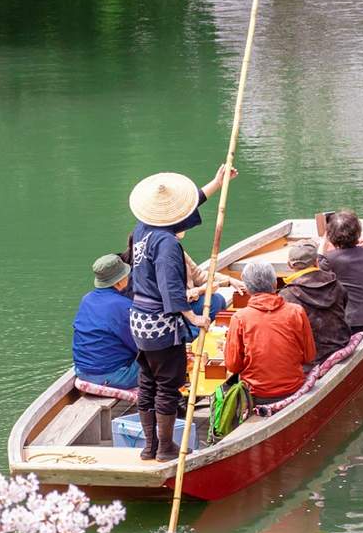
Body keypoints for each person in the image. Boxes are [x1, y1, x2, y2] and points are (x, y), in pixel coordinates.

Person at [127, 164, 234, 461]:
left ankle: (149, 447)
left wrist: (216, 184)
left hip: (139, 319)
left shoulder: (142, 229)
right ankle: (165, 448)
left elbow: (187, 206)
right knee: (167, 385)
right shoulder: (167, 244)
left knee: (148, 382)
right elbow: (171, 288)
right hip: (159, 325)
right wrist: (194, 318)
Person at [224, 259, 315, 405]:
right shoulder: (297, 311)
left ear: (247, 289)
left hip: (256, 394)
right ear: (275, 284)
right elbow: (309, 356)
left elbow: (233, 366)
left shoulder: (239, 318)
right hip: (294, 388)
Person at [71, 254, 139, 389]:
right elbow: (140, 345)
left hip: (81, 371)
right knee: (163, 358)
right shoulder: (123, 306)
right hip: (112, 375)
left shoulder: (86, 299)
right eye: (127, 275)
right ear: (119, 282)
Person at [278, 238, 351, 361]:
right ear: (317, 262)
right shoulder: (335, 284)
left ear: (289, 265)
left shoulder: (286, 295)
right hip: (340, 344)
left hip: (312, 357)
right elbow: (344, 305)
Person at [320, 210, 363, 333]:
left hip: (349, 323)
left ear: (331, 236)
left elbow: (316, 265)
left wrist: (323, 241)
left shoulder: (330, 259)